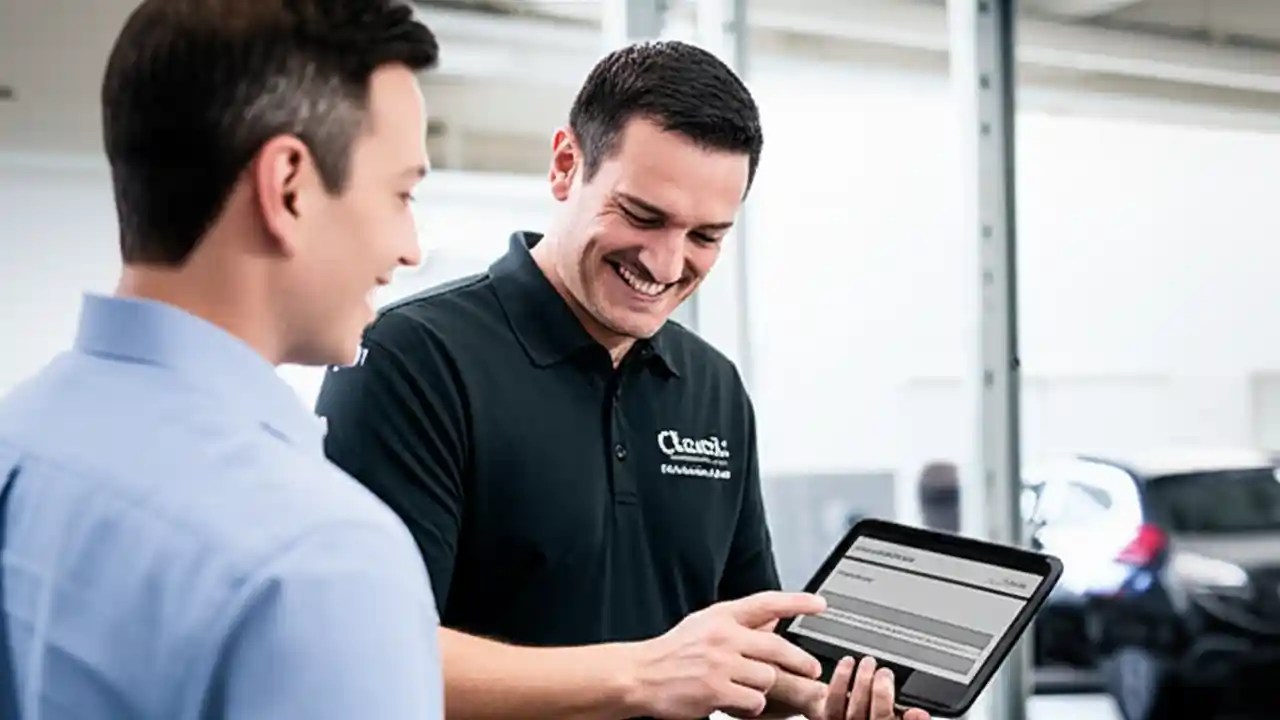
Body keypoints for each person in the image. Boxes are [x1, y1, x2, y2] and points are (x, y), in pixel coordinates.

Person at [316, 39, 930, 720]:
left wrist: (819, 695)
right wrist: (644, 673)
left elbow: (737, 641)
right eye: (642, 216)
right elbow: (368, 659)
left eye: (706, 237)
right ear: (565, 165)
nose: (667, 264)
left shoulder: (712, 387)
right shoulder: (415, 358)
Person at [0, 1, 445, 718]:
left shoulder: (19, 436)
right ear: (288, 187)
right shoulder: (323, 561)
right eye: (401, 194)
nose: (410, 247)